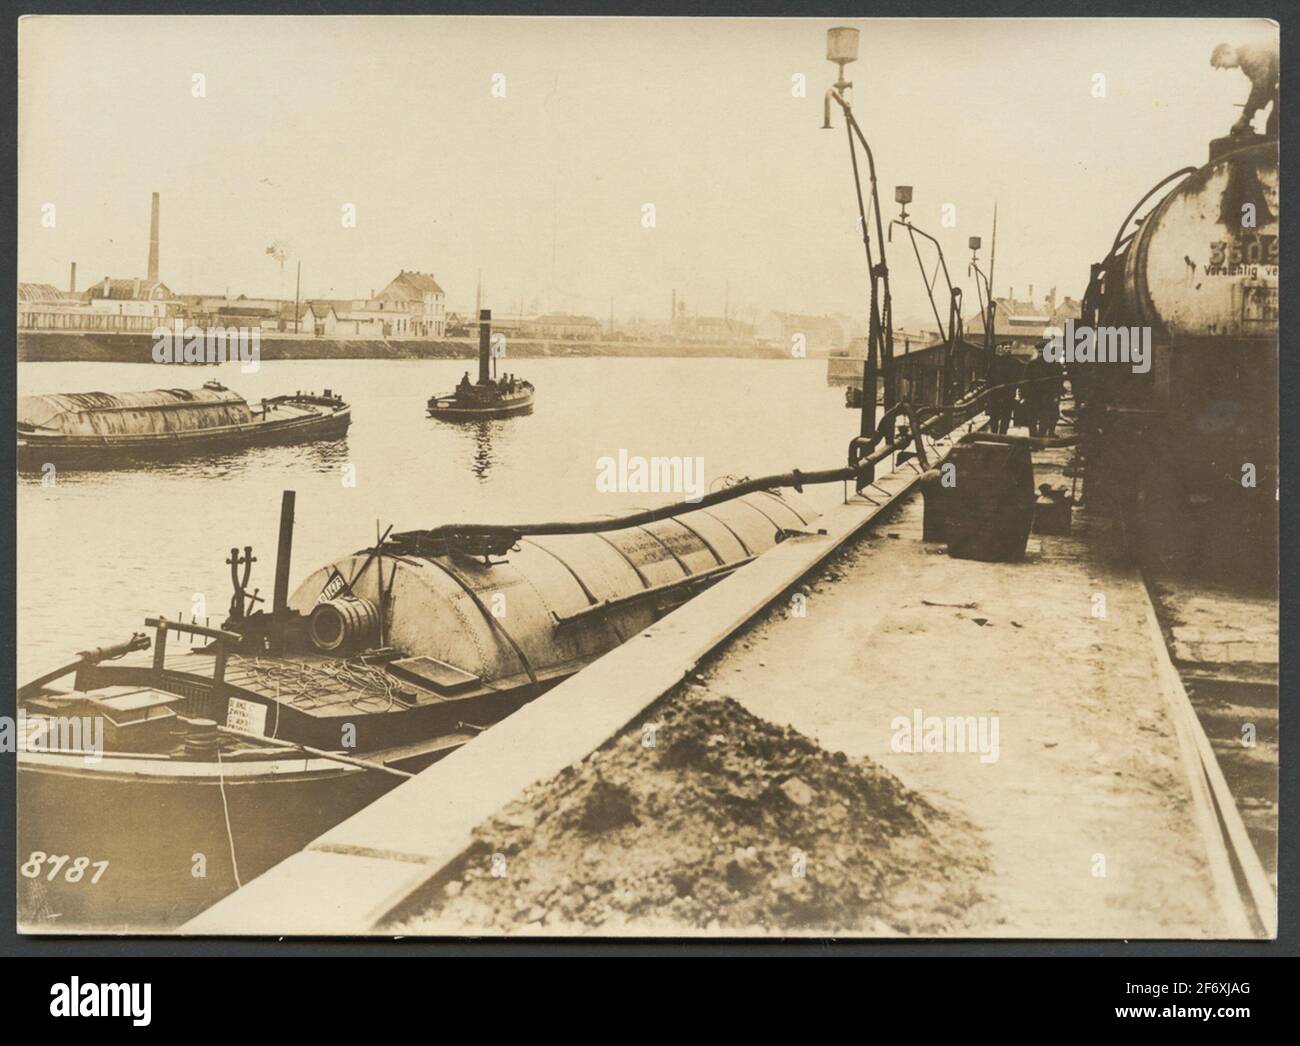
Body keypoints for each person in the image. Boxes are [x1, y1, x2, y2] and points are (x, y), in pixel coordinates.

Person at [1212, 40, 1279, 139]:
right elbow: (1267, 87)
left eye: (1222, 64)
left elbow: (1260, 87)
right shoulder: (1245, 58)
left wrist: (1245, 117)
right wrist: (1250, 113)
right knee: (1273, 126)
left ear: (1226, 53)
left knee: (1275, 124)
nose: (1225, 68)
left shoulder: (1249, 56)